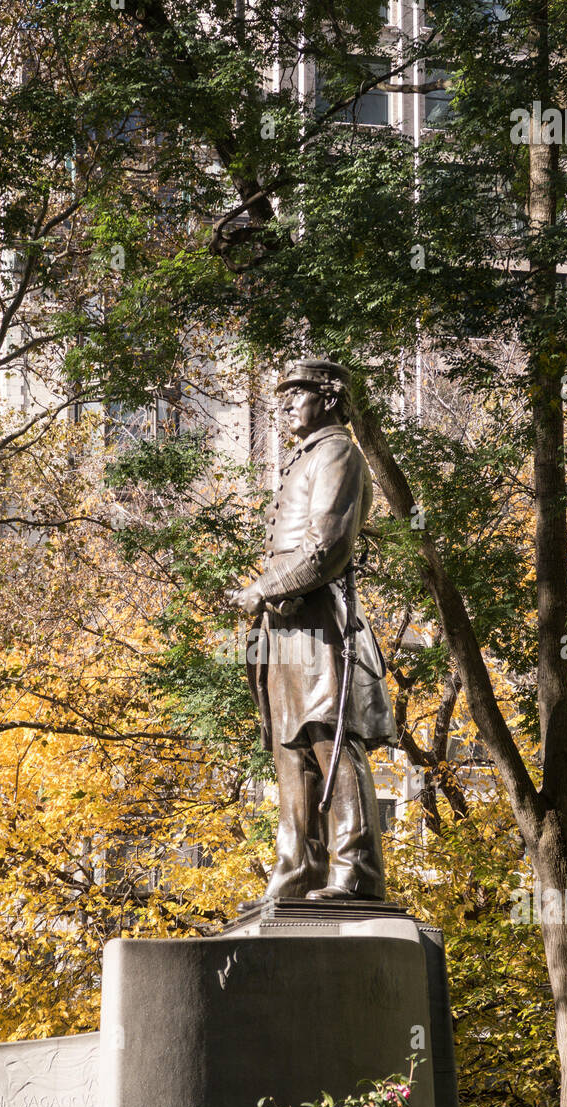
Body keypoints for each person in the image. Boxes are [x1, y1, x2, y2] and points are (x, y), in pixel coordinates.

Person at [227, 359, 397, 904]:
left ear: (327, 398)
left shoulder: (338, 453)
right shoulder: (304, 458)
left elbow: (326, 547)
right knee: (288, 744)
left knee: (329, 733)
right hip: (284, 622)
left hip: (321, 619)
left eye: (294, 395)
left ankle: (357, 870)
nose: (283, 407)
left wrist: (264, 588)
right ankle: (297, 871)